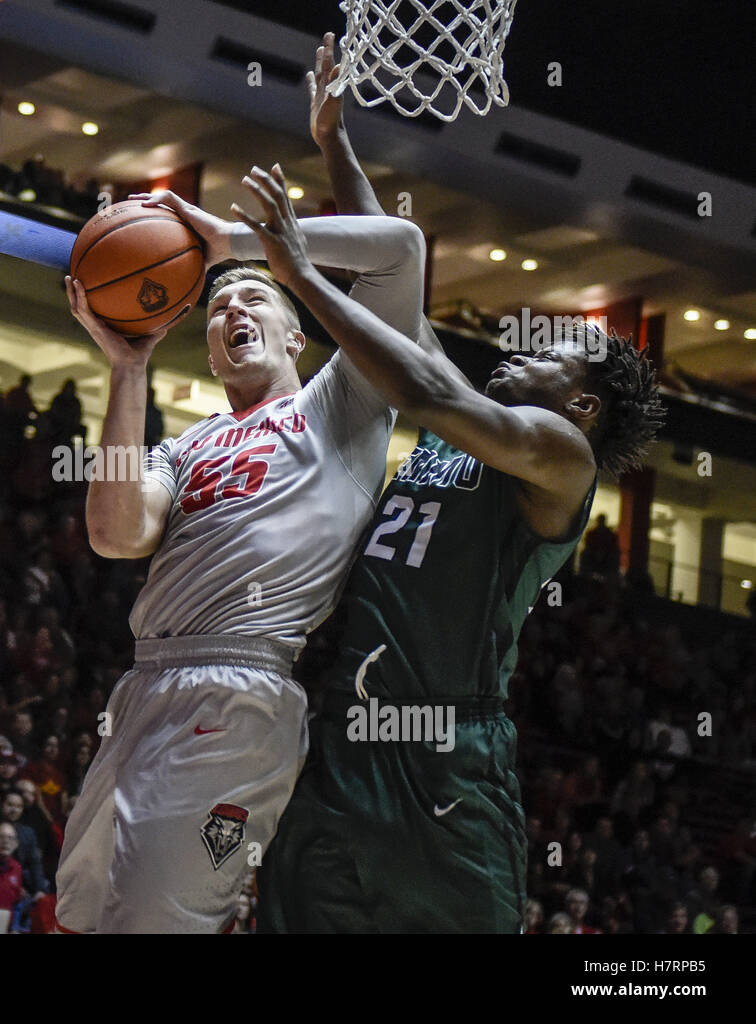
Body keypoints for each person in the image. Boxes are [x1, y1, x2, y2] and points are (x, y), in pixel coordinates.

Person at [253, 35, 664, 934]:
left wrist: (299, 275)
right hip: (349, 737)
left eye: (550, 350)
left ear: (583, 403)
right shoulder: (471, 420)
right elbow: (395, 295)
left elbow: (423, 383)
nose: (521, 345)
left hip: (444, 750)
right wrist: (334, 143)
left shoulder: (560, 456)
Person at [55, 48, 433, 932]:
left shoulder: (339, 405)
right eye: (217, 307)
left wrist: (236, 245)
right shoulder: (186, 445)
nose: (230, 311)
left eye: (253, 300)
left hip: (242, 694)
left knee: (159, 924)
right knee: (77, 915)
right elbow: (115, 535)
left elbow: (401, 252)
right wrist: (128, 367)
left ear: (301, 335)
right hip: (143, 687)